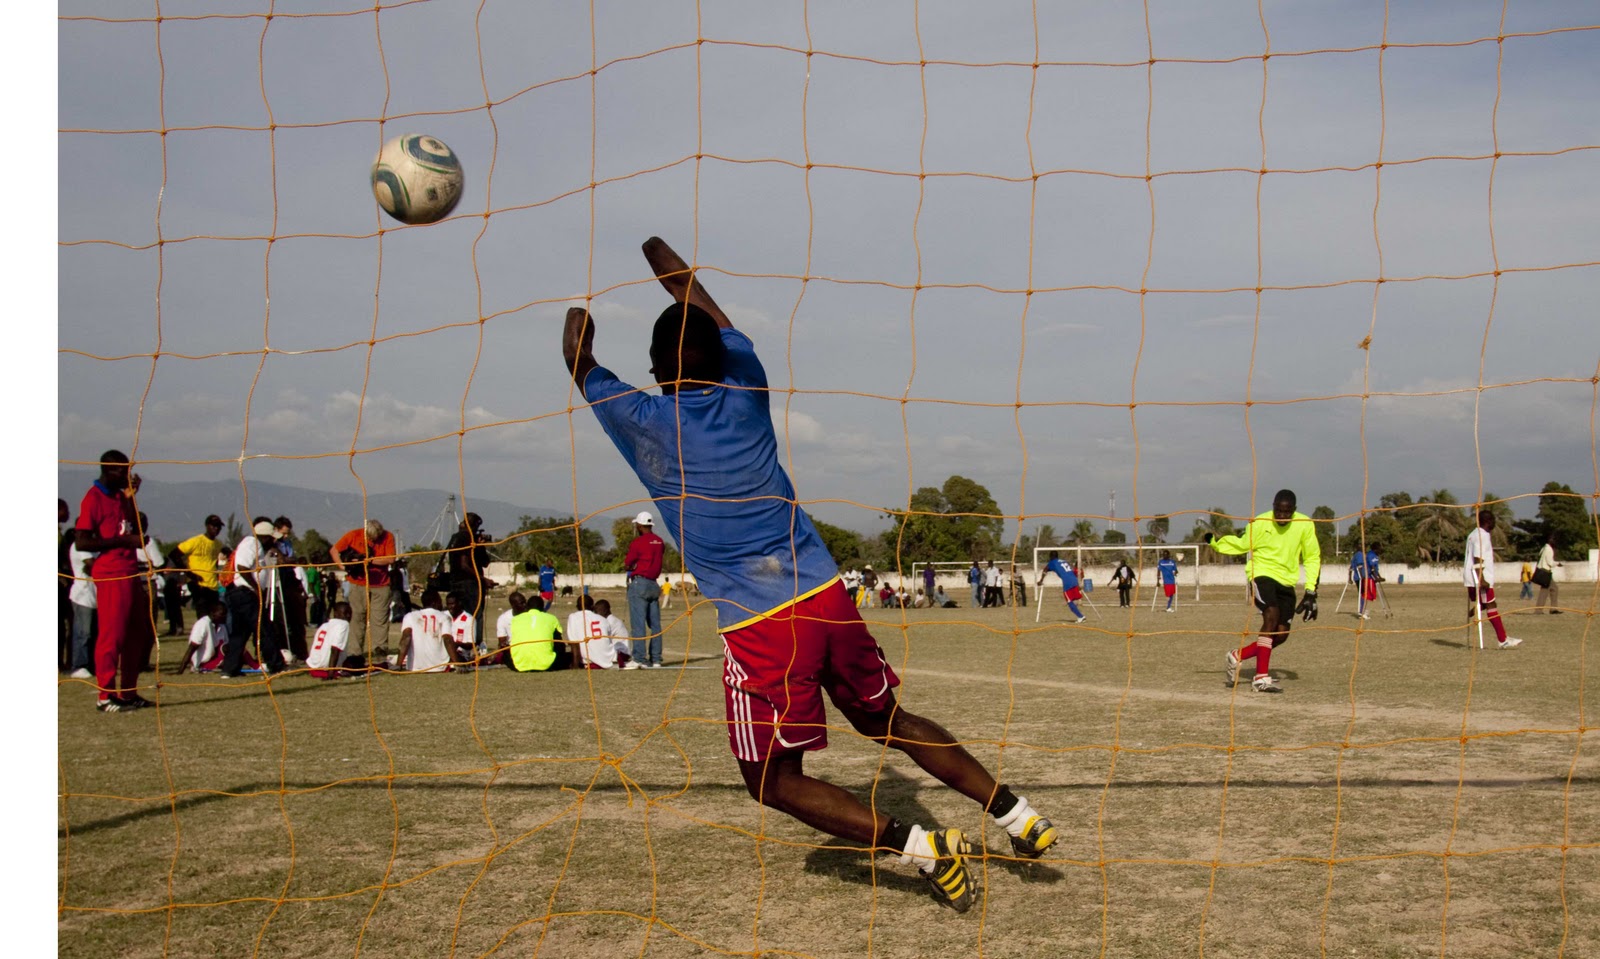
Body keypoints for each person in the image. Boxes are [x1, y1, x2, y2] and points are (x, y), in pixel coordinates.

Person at [561, 234, 1058, 911]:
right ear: (720, 354)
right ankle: (1016, 812)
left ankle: (917, 846)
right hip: (826, 595)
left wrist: (576, 308)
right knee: (889, 718)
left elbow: (577, 358)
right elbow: (700, 305)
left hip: (761, 624)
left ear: (653, 369)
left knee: (771, 780)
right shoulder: (747, 384)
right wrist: (654, 252)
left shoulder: (642, 419)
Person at [1208, 490, 1322, 693]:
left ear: (1294, 511)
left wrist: (1310, 591)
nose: (1282, 516)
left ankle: (1237, 655)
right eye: (1278, 511)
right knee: (1271, 615)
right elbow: (1241, 544)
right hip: (1261, 574)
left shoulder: (1304, 524)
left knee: (1280, 635)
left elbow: (1312, 557)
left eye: (1287, 512)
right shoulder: (1260, 522)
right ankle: (1261, 678)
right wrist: (1215, 542)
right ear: (1273, 507)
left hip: (1287, 581)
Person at [74, 451, 156, 711]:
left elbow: (131, 527)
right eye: (124, 471)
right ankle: (105, 696)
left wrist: (132, 498)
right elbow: (82, 541)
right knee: (112, 636)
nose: (128, 475)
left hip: (130, 570)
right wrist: (123, 542)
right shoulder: (93, 498)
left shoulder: (121, 497)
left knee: (137, 634)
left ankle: (129, 693)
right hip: (111, 573)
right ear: (110, 471)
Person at [224, 519, 289, 677]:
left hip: (242, 594)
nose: (273, 541)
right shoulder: (252, 544)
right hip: (245, 593)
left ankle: (230, 668)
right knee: (265, 629)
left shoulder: (255, 545)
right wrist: (256, 588)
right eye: (271, 537)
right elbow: (243, 568)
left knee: (241, 633)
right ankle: (276, 665)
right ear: (264, 537)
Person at [333, 519, 398, 659]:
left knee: (379, 619)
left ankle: (380, 651)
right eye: (369, 537)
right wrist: (343, 566)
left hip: (381, 584)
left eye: (375, 538)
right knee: (357, 617)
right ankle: (355, 653)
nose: (372, 540)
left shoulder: (388, 536)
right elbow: (334, 550)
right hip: (357, 584)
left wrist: (370, 560)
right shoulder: (353, 535)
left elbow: (391, 559)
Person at [1463, 510, 1521, 649]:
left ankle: (1477, 610)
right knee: (1491, 605)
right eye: (1493, 520)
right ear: (1488, 521)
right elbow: (1478, 557)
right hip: (1479, 578)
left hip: (1472, 577)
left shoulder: (1473, 534)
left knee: (1488, 604)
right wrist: (1481, 579)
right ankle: (1503, 640)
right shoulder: (1482, 536)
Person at [623, 511, 666, 668]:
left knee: (638, 623)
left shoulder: (638, 543)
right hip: (654, 585)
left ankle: (639, 658)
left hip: (640, 583)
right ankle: (656, 659)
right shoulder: (660, 542)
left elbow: (628, 563)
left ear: (640, 526)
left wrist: (630, 566)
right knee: (655, 624)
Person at [447, 512, 494, 650]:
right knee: (475, 615)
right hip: (469, 583)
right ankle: (475, 645)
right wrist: (482, 579)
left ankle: (457, 644)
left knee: (459, 614)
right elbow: (464, 564)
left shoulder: (455, 538)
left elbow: (484, 562)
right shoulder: (467, 537)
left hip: (455, 581)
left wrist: (480, 546)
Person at [176, 515, 227, 623]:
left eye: (218, 526)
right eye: (213, 526)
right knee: (203, 617)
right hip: (198, 584)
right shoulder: (196, 541)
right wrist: (190, 574)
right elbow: (174, 554)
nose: (216, 529)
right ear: (207, 526)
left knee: (216, 617)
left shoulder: (218, 544)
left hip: (212, 585)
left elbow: (223, 557)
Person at [272, 516, 309, 659]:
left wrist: (287, 560)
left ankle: (299, 651)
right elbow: (280, 560)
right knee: (279, 620)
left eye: (288, 533)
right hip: (276, 582)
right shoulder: (272, 543)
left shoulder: (287, 543)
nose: (286, 536)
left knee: (296, 620)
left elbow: (292, 560)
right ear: (276, 529)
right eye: (283, 532)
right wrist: (284, 559)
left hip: (289, 580)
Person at [507, 595, 569, 672]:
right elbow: (559, 643)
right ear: (543, 607)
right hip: (547, 665)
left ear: (527, 607)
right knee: (566, 653)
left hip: (519, 665)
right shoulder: (552, 618)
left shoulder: (515, 619)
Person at [396, 590, 454, 672]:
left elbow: (406, 638)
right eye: (440, 601)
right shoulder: (444, 617)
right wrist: (457, 663)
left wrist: (398, 665)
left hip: (415, 667)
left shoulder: (409, 616)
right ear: (435, 602)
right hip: (440, 667)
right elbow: (447, 639)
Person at [66, 534, 99, 680]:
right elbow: (94, 565)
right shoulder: (80, 545)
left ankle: (91, 664)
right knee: (83, 633)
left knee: (93, 632)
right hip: (83, 596)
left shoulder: (94, 546)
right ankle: (79, 665)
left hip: (94, 595)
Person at [569, 595, 628, 669]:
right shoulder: (603, 619)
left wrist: (575, 665)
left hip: (592, 662)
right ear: (592, 606)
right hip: (613, 658)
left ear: (577, 606)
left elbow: (574, 643)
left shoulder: (573, 617)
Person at [177, 600, 231, 674]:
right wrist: (180, 671)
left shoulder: (222, 626)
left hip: (216, 659)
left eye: (226, 614)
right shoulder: (203, 624)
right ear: (213, 613)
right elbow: (191, 649)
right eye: (222, 614)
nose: (224, 617)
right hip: (203, 664)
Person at [306, 602, 353, 679]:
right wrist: (331, 674)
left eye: (350, 613)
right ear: (336, 613)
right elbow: (335, 649)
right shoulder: (343, 624)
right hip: (325, 669)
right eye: (345, 613)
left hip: (313, 666)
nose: (348, 616)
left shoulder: (324, 625)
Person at [1036, 552, 1086, 623]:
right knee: (1073, 598)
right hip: (1074, 579)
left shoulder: (1052, 562)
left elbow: (1045, 570)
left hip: (1067, 582)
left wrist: (1040, 581)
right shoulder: (1063, 561)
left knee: (1069, 601)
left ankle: (1081, 616)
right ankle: (1080, 615)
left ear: (1050, 557)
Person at [1533, 533, 1562, 614]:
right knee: (1552, 589)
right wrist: (1557, 563)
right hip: (1546, 572)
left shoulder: (1544, 548)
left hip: (1543, 571)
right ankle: (1550, 609)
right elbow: (1550, 562)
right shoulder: (1549, 549)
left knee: (1547, 590)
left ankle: (1541, 609)